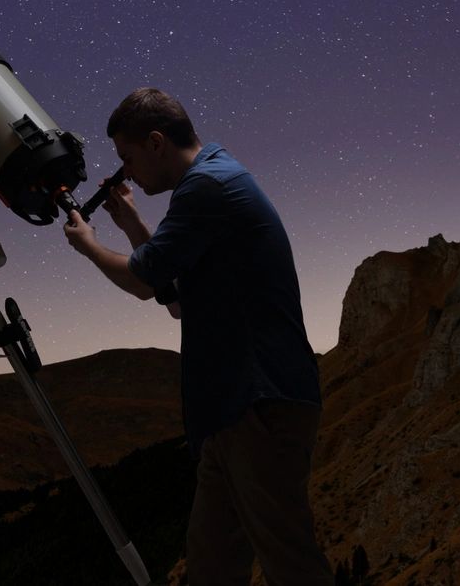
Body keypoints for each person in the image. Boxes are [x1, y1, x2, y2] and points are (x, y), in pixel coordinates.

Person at [62, 87, 334, 586]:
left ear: (157, 142)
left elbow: (144, 284)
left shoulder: (207, 186)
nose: (127, 172)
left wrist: (89, 246)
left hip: (260, 403)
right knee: (211, 563)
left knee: (290, 562)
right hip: (234, 411)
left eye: (127, 158)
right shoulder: (214, 180)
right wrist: (132, 226)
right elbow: (178, 298)